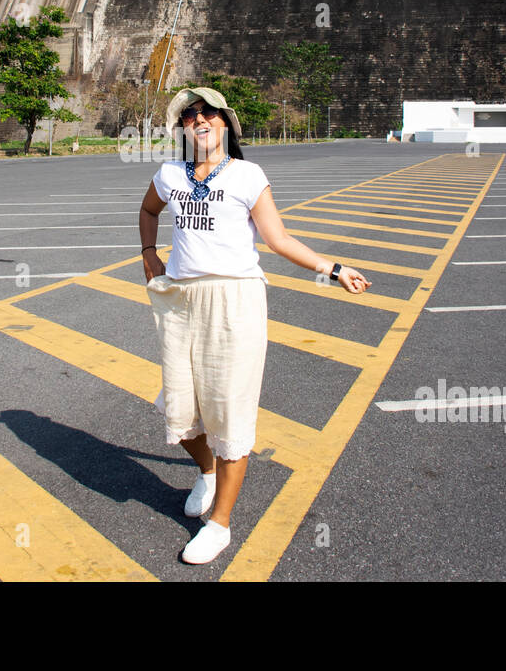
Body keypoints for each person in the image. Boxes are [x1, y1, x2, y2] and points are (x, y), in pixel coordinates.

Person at [138, 85, 371, 565]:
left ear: (225, 123)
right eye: (190, 115)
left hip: (235, 301)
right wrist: (148, 252)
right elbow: (147, 211)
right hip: (181, 301)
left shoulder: (247, 175)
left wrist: (333, 268)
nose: (199, 120)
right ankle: (207, 473)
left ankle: (219, 524)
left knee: (229, 413)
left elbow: (278, 238)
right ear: (182, 129)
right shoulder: (169, 174)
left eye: (208, 114)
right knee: (178, 411)